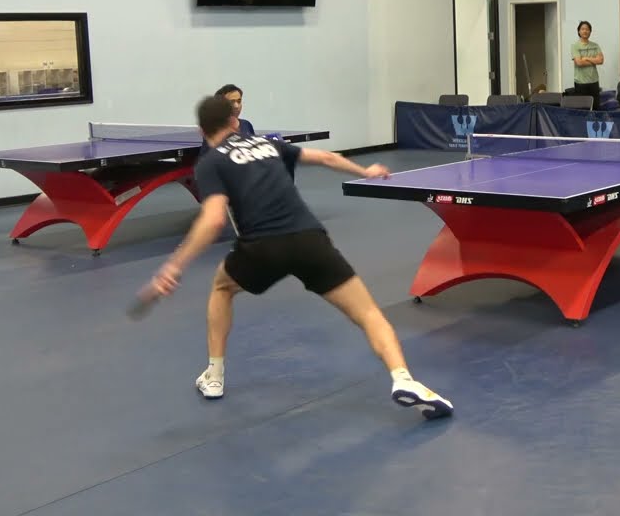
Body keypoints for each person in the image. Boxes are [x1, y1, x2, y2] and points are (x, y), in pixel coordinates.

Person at [140, 95, 454, 419]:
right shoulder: (267, 144)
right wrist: (365, 169)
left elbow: (213, 219)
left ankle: (214, 376)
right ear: (235, 123)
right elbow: (325, 159)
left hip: (262, 248)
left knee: (222, 288)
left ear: (201, 131)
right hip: (310, 239)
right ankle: (403, 378)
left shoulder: (209, 163)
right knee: (370, 313)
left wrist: (173, 267)